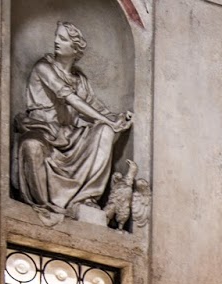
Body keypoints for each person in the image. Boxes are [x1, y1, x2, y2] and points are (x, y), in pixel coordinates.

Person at [12, 22, 132, 219]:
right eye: (57, 36)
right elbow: (71, 99)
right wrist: (107, 120)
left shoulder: (80, 80)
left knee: (105, 131)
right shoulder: (44, 67)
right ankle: (45, 204)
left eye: (63, 39)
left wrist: (118, 120)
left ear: (75, 49)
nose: (56, 41)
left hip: (68, 136)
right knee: (32, 146)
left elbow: (96, 108)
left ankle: (86, 199)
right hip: (42, 130)